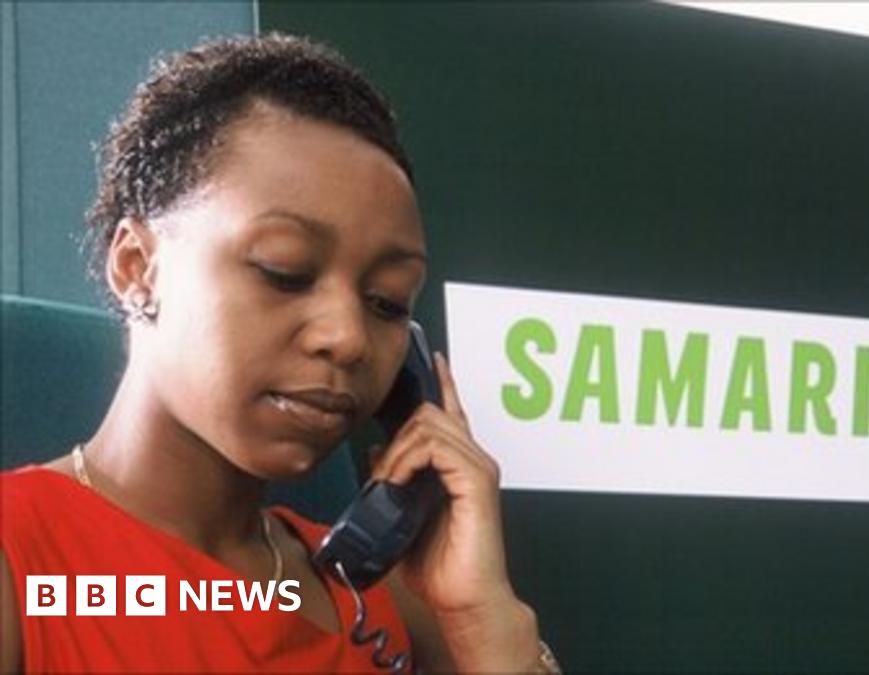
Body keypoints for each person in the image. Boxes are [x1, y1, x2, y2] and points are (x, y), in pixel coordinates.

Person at [0, 33, 558, 673]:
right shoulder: (29, 571)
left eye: (387, 301)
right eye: (284, 271)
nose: (347, 338)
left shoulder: (383, 591)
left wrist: (486, 623)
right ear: (137, 268)